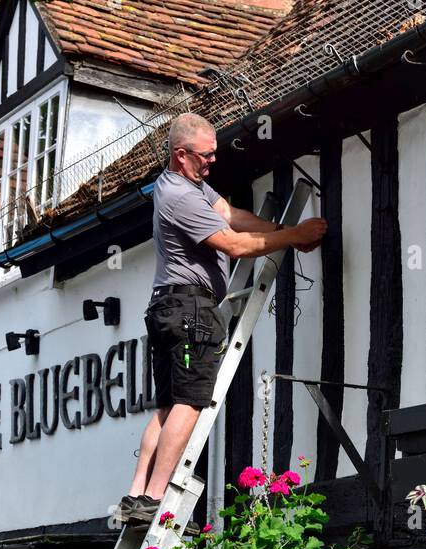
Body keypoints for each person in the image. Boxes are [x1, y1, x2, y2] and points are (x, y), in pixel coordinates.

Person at [119, 113, 327, 524]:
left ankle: (137, 494)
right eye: (206, 155)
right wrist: (293, 237)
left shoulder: (186, 185)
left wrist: (283, 230)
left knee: (166, 405)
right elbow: (231, 244)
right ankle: (155, 499)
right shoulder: (180, 195)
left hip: (168, 308)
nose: (213, 161)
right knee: (191, 403)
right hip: (190, 310)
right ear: (181, 155)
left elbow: (230, 215)